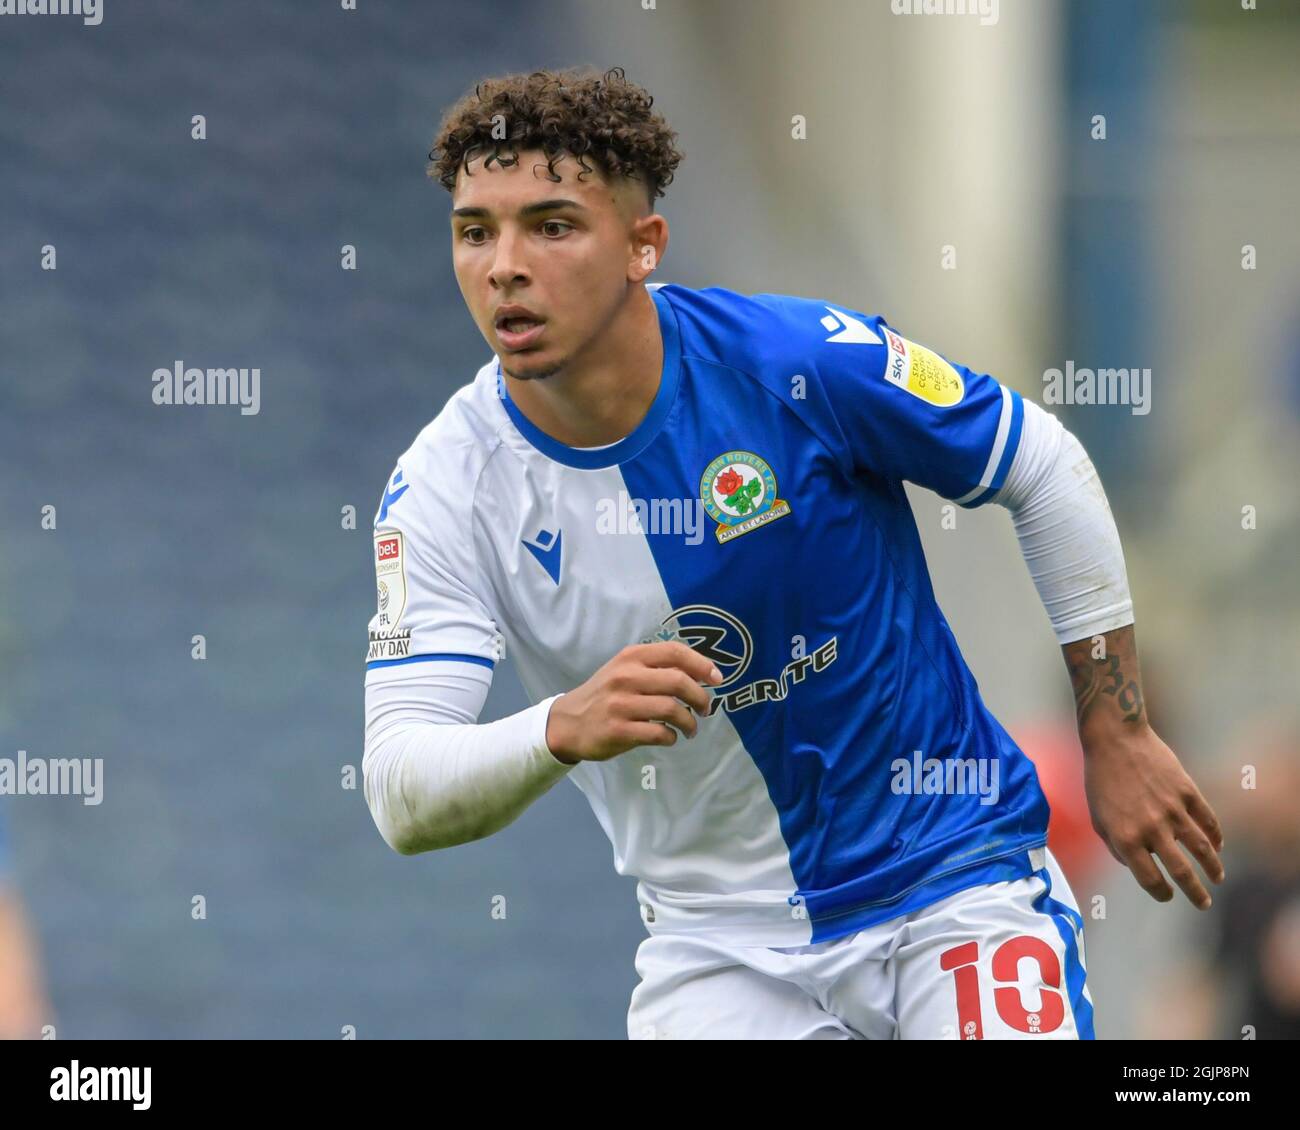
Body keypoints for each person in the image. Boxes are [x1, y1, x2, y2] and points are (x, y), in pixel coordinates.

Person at [361, 66, 1224, 1039]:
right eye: (476, 230)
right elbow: (400, 787)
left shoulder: (799, 362)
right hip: (719, 948)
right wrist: (561, 723)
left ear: (644, 245)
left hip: (952, 878)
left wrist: (1113, 733)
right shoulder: (443, 487)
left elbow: (1041, 462)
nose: (504, 264)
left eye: (551, 225)